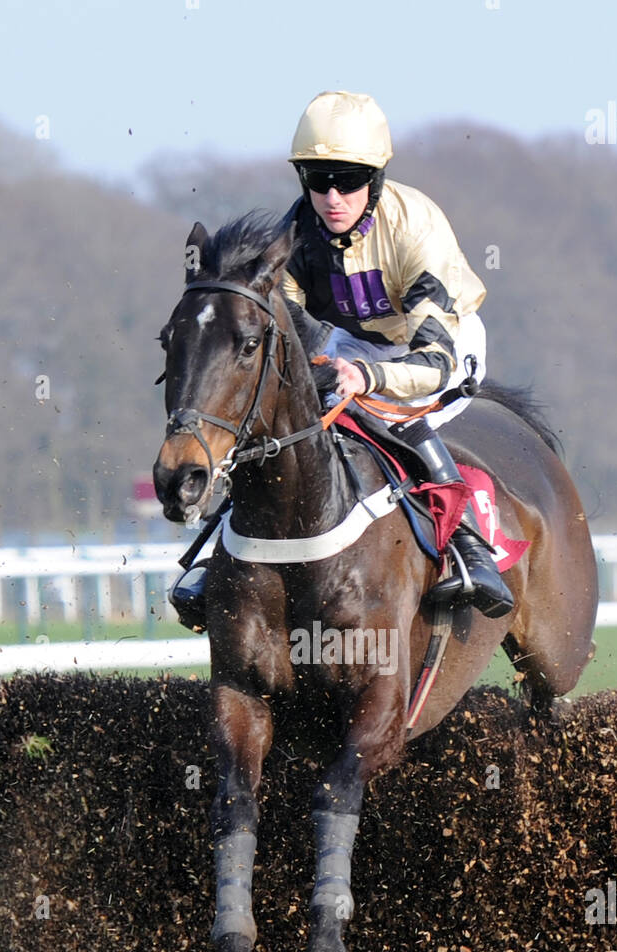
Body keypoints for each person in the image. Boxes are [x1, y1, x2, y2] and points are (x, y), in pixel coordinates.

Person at [170, 90, 513, 629]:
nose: (332, 196)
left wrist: (368, 376)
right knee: (289, 421)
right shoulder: (297, 236)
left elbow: (434, 360)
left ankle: (469, 547)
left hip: (440, 345)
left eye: (349, 180)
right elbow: (294, 332)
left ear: (374, 181)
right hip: (355, 342)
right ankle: (220, 547)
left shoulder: (417, 228)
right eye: (318, 179)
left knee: (393, 415)